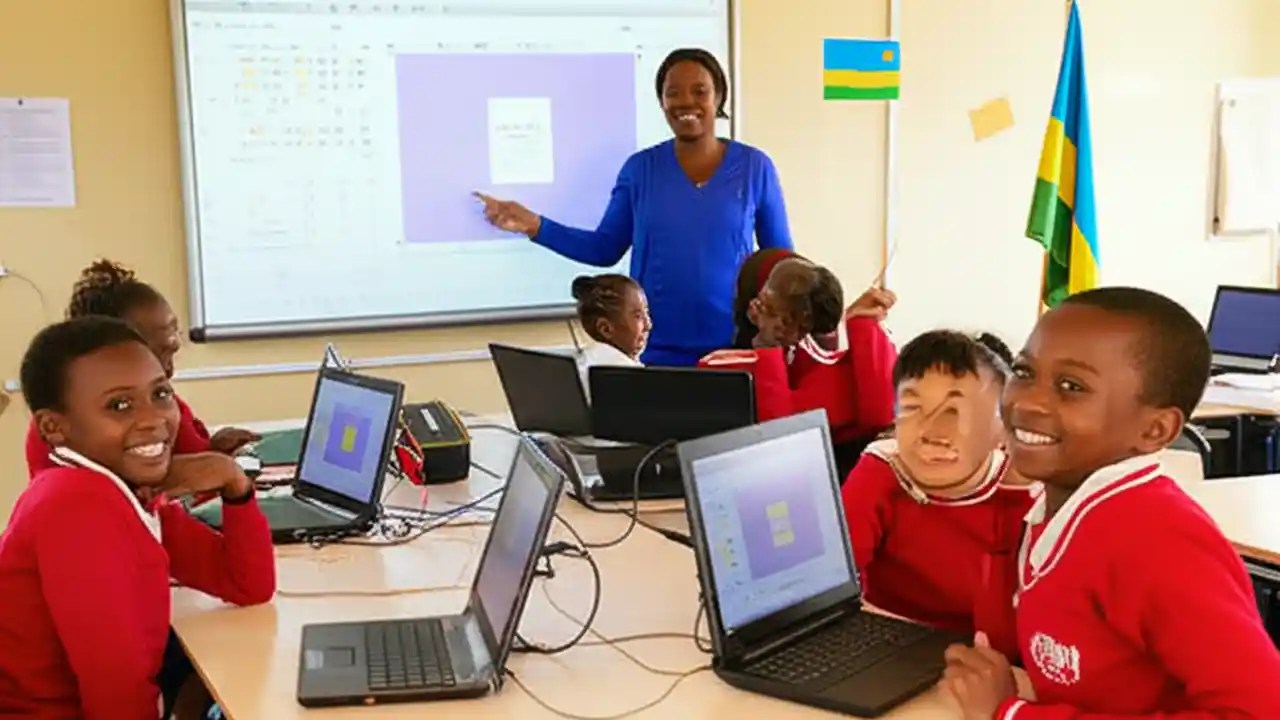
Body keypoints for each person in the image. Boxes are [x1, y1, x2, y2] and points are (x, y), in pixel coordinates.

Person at [943, 287, 1280, 719]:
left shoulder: (1157, 542)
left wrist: (1012, 714)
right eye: (1024, 371)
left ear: (1155, 430)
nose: (1027, 400)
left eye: (1071, 386)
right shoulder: (1059, 503)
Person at [0, 316, 276, 718]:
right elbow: (116, 691)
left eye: (160, 393)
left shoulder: (126, 492)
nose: (154, 419)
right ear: (53, 427)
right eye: (120, 405)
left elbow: (247, 584)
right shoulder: (78, 505)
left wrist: (235, 485)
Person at [476, 48, 793, 367]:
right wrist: (535, 225)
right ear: (662, 102)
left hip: (734, 350)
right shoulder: (640, 169)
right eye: (673, 93)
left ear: (719, 97)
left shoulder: (755, 167)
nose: (685, 102)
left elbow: (780, 262)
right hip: (655, 353)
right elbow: (604, 248)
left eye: (699, 91)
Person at [842, 330, 1034, 662]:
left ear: (1002, 430)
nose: (933, 433)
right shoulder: (882, 470)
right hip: (884, 652)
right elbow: (835, 582)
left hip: (986, 666)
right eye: (913, 408)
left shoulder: (1029, 496)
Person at [24, 259, 259, 477]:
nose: (174, 345)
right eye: (120, 405)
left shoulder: (156, 403)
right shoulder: (67, 425)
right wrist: (218, 472)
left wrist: (214, 450)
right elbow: (140, 482)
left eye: (173, 330)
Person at [700, 257, 896, 478]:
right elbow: (783, 434)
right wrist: (768, 348)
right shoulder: (722, 365)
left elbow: (879, 413)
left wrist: (861, 324)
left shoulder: (826, 362)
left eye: (802, 325)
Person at [570, 274, 650, 395]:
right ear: (605, 329)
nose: (648, 325)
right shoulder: (634, 379)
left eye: (646, 313)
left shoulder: (580, 365)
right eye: (637, 316)